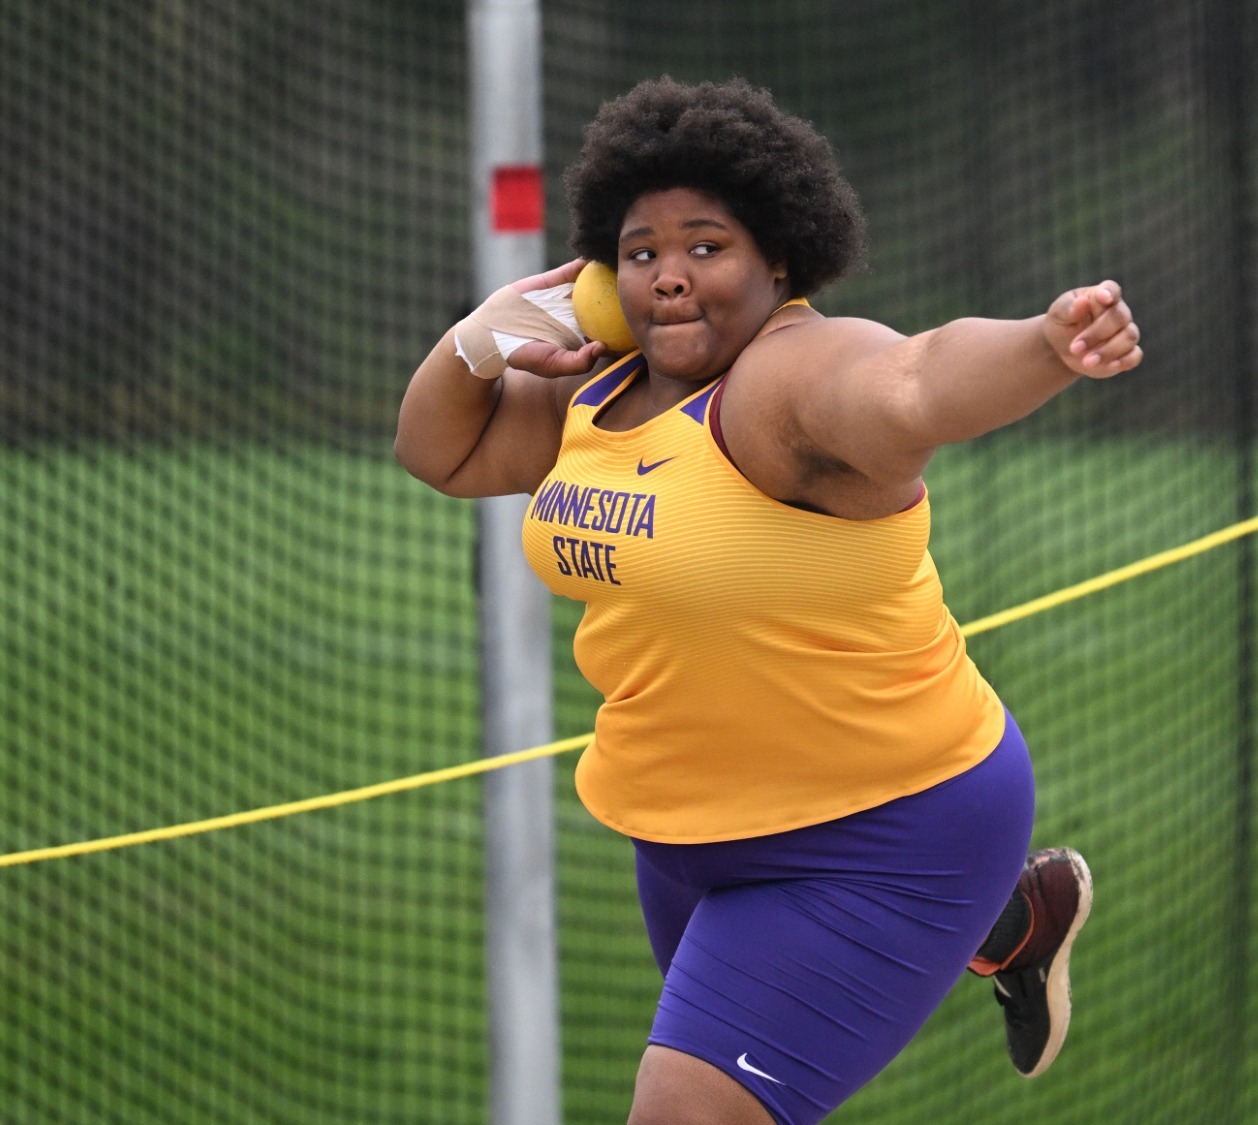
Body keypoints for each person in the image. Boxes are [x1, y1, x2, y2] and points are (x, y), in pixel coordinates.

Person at [397, 77, 1140, 1125]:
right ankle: (1011, 920)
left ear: (777, 256)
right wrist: (478, 338)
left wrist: (1042, 346)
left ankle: (977, 896)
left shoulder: (789, 384)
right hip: (687, 834)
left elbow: (914, 383)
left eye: (706, 246)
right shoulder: (596, 391)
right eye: (641, 250)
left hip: (883, 832)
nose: (667, 278)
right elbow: (439, 449)